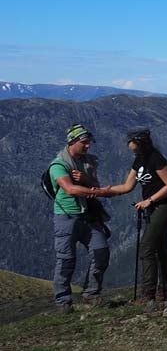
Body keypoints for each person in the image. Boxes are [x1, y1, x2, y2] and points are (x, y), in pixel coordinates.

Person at [103, 128, 167, 311]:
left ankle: (149, 294)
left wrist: (150, 200)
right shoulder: (139, 159)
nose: (128, 146)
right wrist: (105, 191)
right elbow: (127, 186)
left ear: (139, 142)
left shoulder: (156, 159)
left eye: (130, 142)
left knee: (146, 248)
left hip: (164, 207)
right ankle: (165, 291)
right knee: (159, 248)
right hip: (151, 208)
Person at [48, 123, 111, 312]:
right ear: (73, 142)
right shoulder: (58, 165)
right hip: (67, 217)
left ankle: (91, 293)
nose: (88, 146)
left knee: (101, 252)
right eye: (84, 142)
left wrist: (86, 180)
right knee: (66, 259)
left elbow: (92, 183)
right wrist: (101, 193)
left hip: (88, 216)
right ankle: (63, 301)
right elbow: (69, 189)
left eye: (88, 142)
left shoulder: (87, 162)